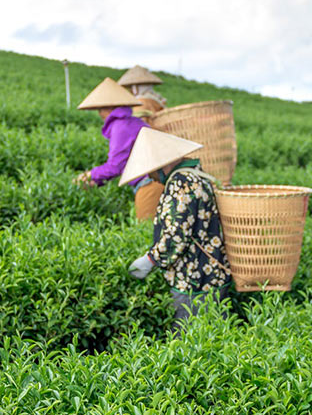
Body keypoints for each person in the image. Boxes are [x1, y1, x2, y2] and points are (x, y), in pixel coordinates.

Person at [120, 127, 231, 329]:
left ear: (161, 164)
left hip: (193, 279)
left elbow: (177, 235)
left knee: (188, 341)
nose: (151, 176)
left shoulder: (179, 184)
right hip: (213, 274)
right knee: (215, 337)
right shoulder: (197, 175)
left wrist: (151, 259)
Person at [75, 77, 163, 220]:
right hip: (156, 179)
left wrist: (88, 176)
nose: (100, 114)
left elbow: (115, 166)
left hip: (151, 183)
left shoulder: (121, 126)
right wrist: (97, 181)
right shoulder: (130, 122)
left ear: (110, 107)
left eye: (100, 109)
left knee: (147, 229)